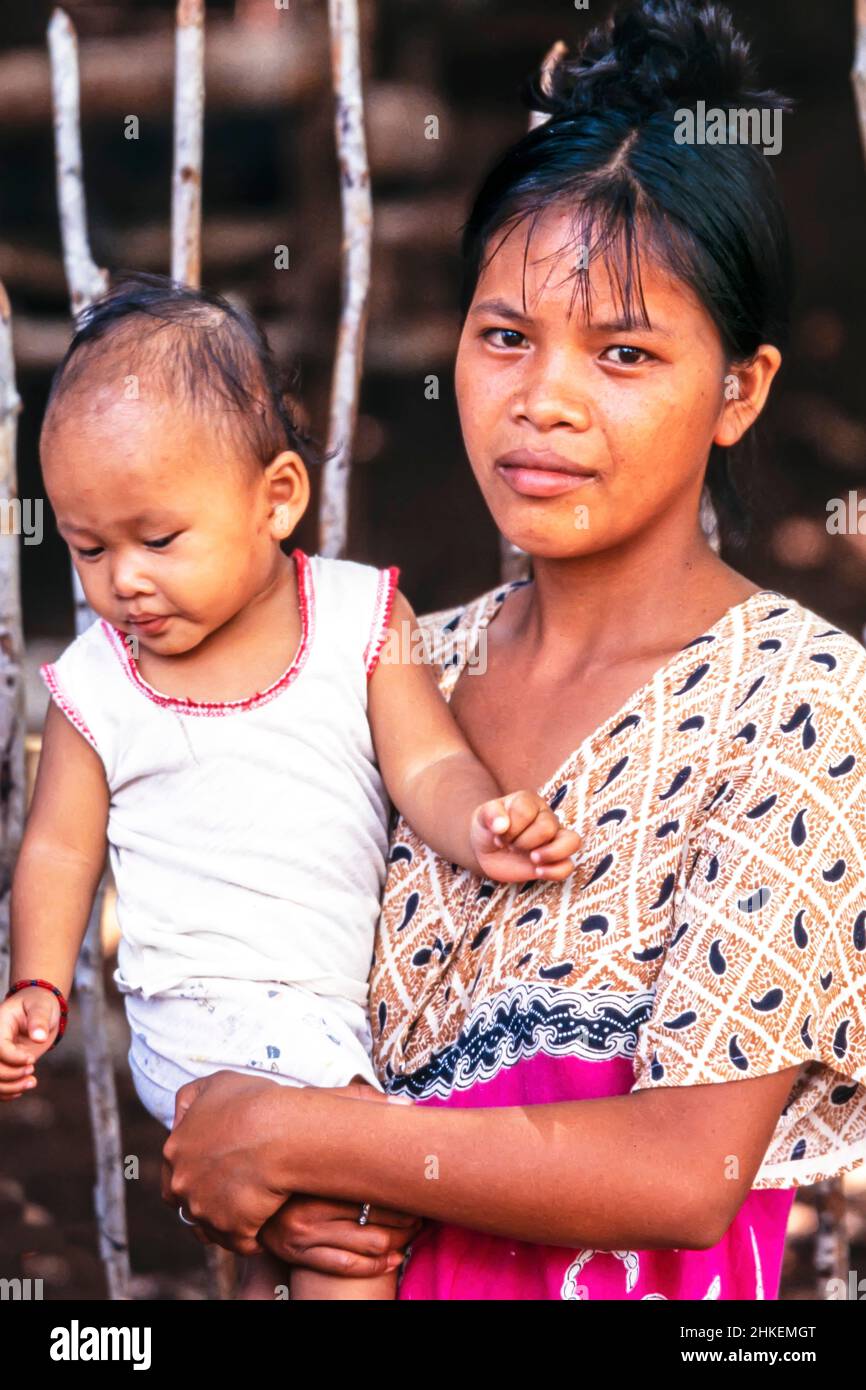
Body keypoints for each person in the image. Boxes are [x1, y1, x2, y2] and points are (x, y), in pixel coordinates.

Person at [158, 0, 866, 1301]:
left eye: (624, 352)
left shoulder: (803, 706)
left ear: (739, 390)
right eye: (505, 336)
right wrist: (272, 1189)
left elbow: (677, 1173)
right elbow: (248, 1014)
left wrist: (309, 1138)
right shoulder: (386, 673)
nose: (541, 397)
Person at [0, 272, 582, 1302]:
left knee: (338, 1211)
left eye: (158, 538)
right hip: (198, 1027)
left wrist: (482, 823)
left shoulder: (360, 620)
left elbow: (426, 764)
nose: (122, 580)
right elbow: (58, 848)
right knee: (351, 1224)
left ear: (276, 498)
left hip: (340, 1018)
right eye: (88, 548)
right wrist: (40, 983)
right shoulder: (97, 685)